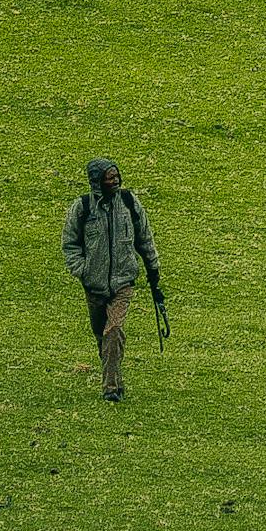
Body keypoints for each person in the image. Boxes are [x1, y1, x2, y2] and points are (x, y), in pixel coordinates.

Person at [61, 157, 162, 402]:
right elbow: (70, 243)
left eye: (116, 176)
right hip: (93, 286)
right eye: (109, 178)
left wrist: (153, 271)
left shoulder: (129, 203)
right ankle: (115, 375)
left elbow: (144, 238)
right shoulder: (82, 207)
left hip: (123, 283)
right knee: (102, 337)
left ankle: (111, 389)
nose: (115, 181)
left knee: (113, 330)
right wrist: (83, 270)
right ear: (97, 182)